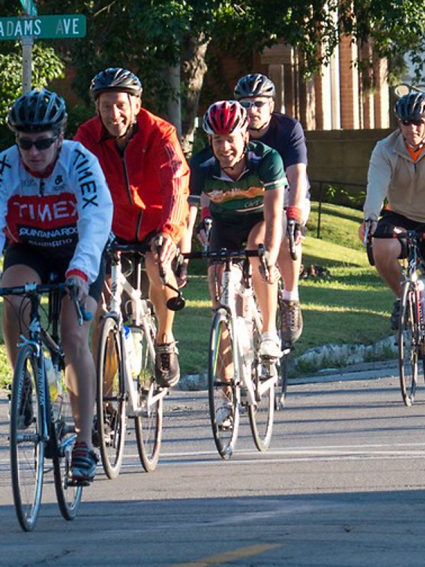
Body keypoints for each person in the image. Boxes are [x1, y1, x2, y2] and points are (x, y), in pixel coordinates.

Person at [0, 89, 114, 483]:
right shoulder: (3, 166)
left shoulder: (80, 162)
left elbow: (96, 220)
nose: (33, 152)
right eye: (25, 143)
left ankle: (84, 444)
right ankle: (25, 381)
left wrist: (82, 271)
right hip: (30, 248)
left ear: (60, 135)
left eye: (43, 142)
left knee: (73, 335)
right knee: (12, 297)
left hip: (77, 251)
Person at [74, 67, 189, 388]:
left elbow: (176, 181)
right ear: (97, 107)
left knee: (158, 265)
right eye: (106, 105)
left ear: (136, 105)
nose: (114, 114)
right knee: (102, 311)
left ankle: (165, 341)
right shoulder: (86, 137)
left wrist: (169, 230)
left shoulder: (160, 133)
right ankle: (105, 395)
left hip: (156, 226)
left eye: (121, 105)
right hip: (112, 230)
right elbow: (73, 184)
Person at [189, 73, 310, 345]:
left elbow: (297, 175)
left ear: (271, 105)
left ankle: (290, 298)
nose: (251, 110)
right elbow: (210, 184)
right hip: (236, 200)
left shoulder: (288, 129)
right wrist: (205, 220)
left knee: (282, 237)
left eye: (258, 103)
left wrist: (294, 216)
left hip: (284, 192)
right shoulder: (224, 133)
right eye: (245, 104)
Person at [359, 91, 425, 386]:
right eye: (406, 122)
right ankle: (403, 298)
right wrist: (370, 217)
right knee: (381, 245)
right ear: (399, 123)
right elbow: (376, 184)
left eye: (418, 122)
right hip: (402, 214)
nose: (412, 129)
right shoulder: (385, 148)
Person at [194, 100, 285, 360]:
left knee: (257, 251)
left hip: (259, 218)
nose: (224, 148)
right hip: (225, 224)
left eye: (231, 139)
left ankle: (268, 333)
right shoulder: (202, 165)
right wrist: (184, 257)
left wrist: (270, 251)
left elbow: (274, 212)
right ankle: (225, 391)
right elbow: (188, 213)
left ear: (245, 135)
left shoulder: (267, 158)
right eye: (217, 140)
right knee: (219, 298)